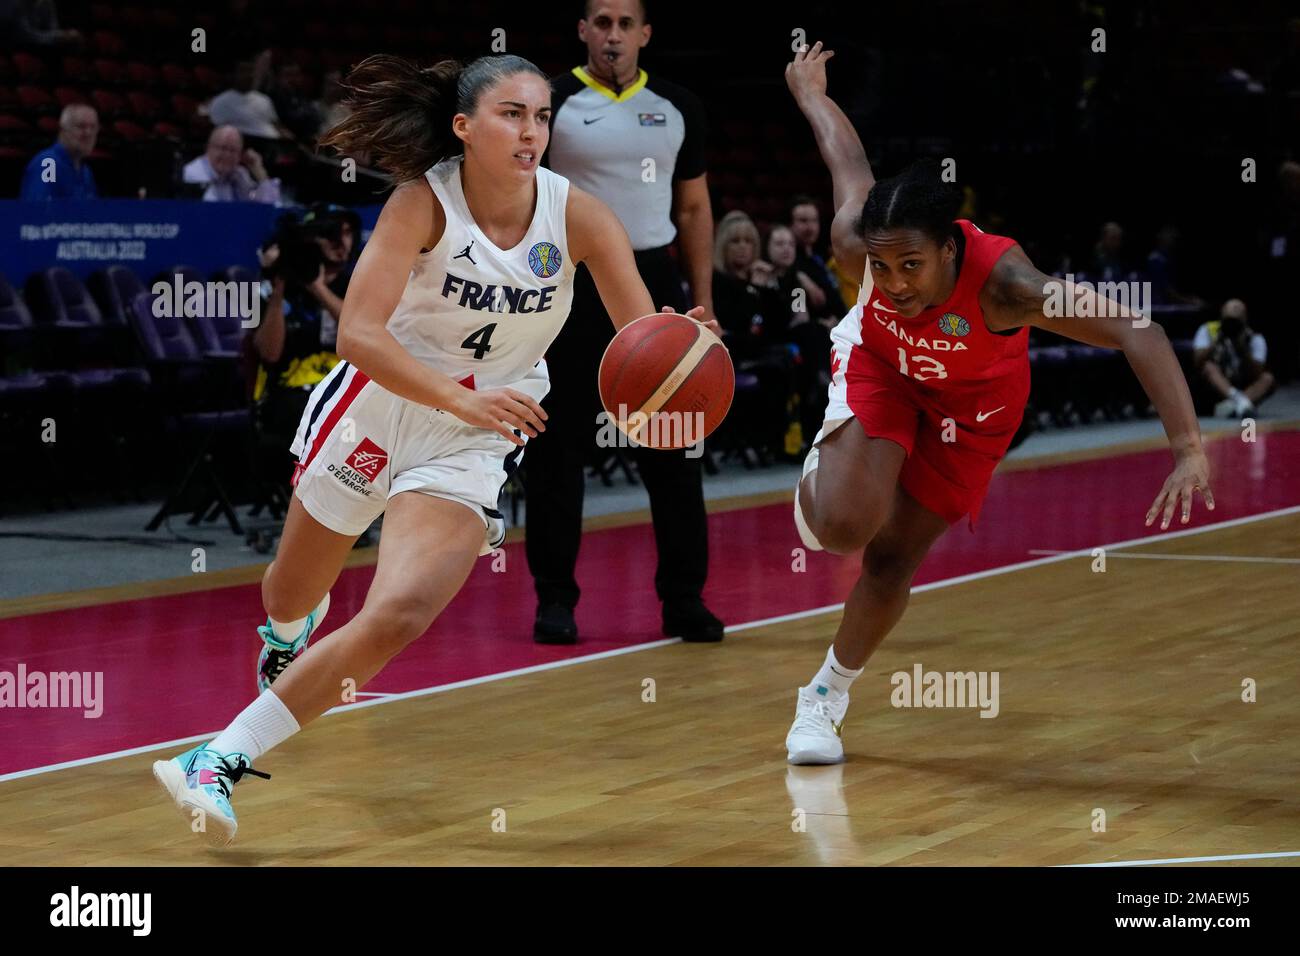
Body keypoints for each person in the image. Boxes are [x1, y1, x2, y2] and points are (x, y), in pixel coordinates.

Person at [151, 52, 716, 847]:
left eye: (541, 116)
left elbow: (639, 340)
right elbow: (357, 332)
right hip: (377, 407)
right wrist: (460, 394)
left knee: (402, 611)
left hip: (474, 438)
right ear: (464, 127)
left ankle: (219, 759)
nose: (531, 132)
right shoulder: (420, 203)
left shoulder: (579, 216)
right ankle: (287, 632)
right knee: (288, 594)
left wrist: (681, 353)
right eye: (511, 114)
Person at [782, 43, 1213, 765]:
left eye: (910, 265)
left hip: (976, 413)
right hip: (884, 372)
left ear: (951, 249)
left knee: (891, 562)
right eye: (882, 267)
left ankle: (822, 700)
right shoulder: (860, 243)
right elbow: (845, 161)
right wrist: (810, 93)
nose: (894, 282)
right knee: (845, 527)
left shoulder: (1010, 285)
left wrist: (1190, 447)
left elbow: (1138, 330)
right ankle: (827, 482)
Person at [524, 0, 723, 645]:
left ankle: (684, 599)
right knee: (557, 448)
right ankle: (555, 600)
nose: (613, 34)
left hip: (653, 281)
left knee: (673, 443)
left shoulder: (678, 104)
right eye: (600, 23)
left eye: (624, 24)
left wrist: (704, 300)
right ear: (582, 30)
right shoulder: (547, 101)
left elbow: (694, 209)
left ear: (644, 34)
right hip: (569, 283)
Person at [251, 202, 359, 497]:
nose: (342, 241)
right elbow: (270, 353)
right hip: (291, 396)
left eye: (348, 232)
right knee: (310, 412)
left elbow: (358, 330)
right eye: (332, 233)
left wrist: (317, 288)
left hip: (345, 389)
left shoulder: (358, 282)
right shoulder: (278, 287)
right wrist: (280, 289)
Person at [1193, 298, 1274, 417]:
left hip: (1243, 384)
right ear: (1221, 317)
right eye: (1228, 321)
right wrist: (1216, 342)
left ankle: (1232, 406)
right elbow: (1197, 361)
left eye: (1235, 322)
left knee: (1268, 378)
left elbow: (1257, 372)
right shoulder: (1207, 330)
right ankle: (1241, 403)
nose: (1232, 326)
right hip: (1215, 387)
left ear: (1244, 319)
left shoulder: (1254, 337)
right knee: (1209, 366)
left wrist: (1242, 349)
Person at [182, 125, 281, 203]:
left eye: (233, 150)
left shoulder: (239, 174)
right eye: (223, 148)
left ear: (240, 155)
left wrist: (260, 172)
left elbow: (267, 208)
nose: (227, 155)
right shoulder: (193, 173)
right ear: (208, 148)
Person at [19, 103, 98, 200]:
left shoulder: (85, 171)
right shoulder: (48, 164)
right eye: (81, 126)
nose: (88, 133)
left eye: (93, 127)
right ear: (63, 130)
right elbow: (38, 210)